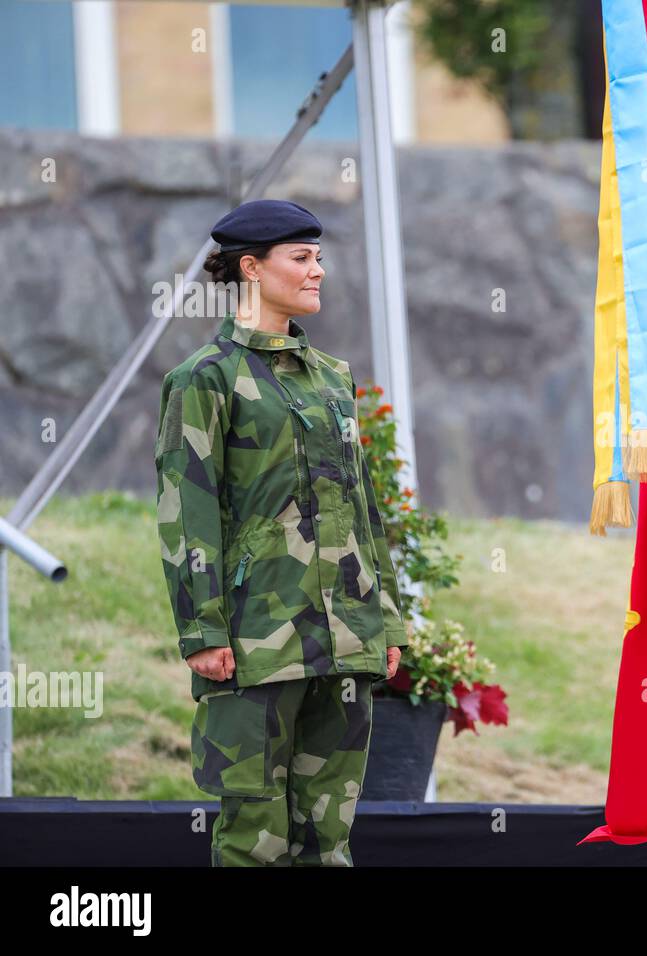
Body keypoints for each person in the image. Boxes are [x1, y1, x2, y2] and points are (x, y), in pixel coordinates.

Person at [153, 198, 407, 866]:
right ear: (251, 268)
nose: (318, 270)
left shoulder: (332, 379)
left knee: (331, 839)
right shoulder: (205, 381)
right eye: (301, 258)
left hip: (343, 637)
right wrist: (203, 632)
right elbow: (188, 514)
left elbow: (361, 505)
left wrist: (385, 621)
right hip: (254, 640)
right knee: (254, 837)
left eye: (317, 257)